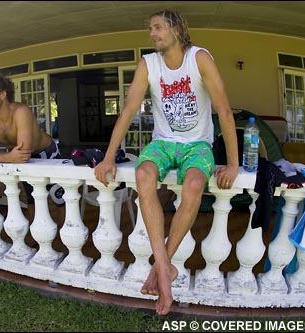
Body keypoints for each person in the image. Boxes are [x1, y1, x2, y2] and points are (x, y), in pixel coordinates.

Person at [94, 10, 238, 315]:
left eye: (158, 27)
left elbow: (224, 109)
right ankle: (165, 270)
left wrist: (234, 164)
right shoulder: (149, 63)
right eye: (150, 29)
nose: (152, 33)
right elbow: (129, 109)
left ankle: (160, 267)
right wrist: (108, 157)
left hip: (197, 144)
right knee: (143, 175)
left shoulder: (199, 59)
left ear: (176, 28)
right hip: (163, 142)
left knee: (196, 183)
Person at [0, 71, 61, 212]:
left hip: (45, 152)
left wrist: (8, 157)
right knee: (31, 198)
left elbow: (23, 153)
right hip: (17, 156)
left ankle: (63, 232)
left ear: (2, 95)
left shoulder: (21, 112)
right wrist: (9, 157)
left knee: (59, 198)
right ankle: (36, 233)